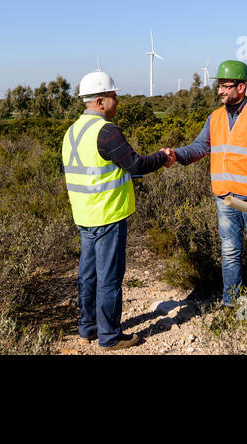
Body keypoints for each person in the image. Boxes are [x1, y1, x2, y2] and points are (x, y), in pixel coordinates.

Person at [63, 69, 176, 349]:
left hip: (84, 216)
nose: (117, 102)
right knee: (109, 278)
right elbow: (135, 164)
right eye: (114, 97)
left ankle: (87, 328)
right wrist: (161, 157)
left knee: (87, 275)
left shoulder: (72, 131)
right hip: (108, 215)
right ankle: (110, 336)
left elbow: (100, 170)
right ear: (100, 101)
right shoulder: (106, 131)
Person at [170, 59, 247, 309]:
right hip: (226, 198)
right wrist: (175, 154)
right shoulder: (215, 118)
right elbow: (200, 148)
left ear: (241, 87)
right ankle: (232, 305)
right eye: (219, 85)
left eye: (225, 85)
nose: (220, 90)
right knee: (230, 254)